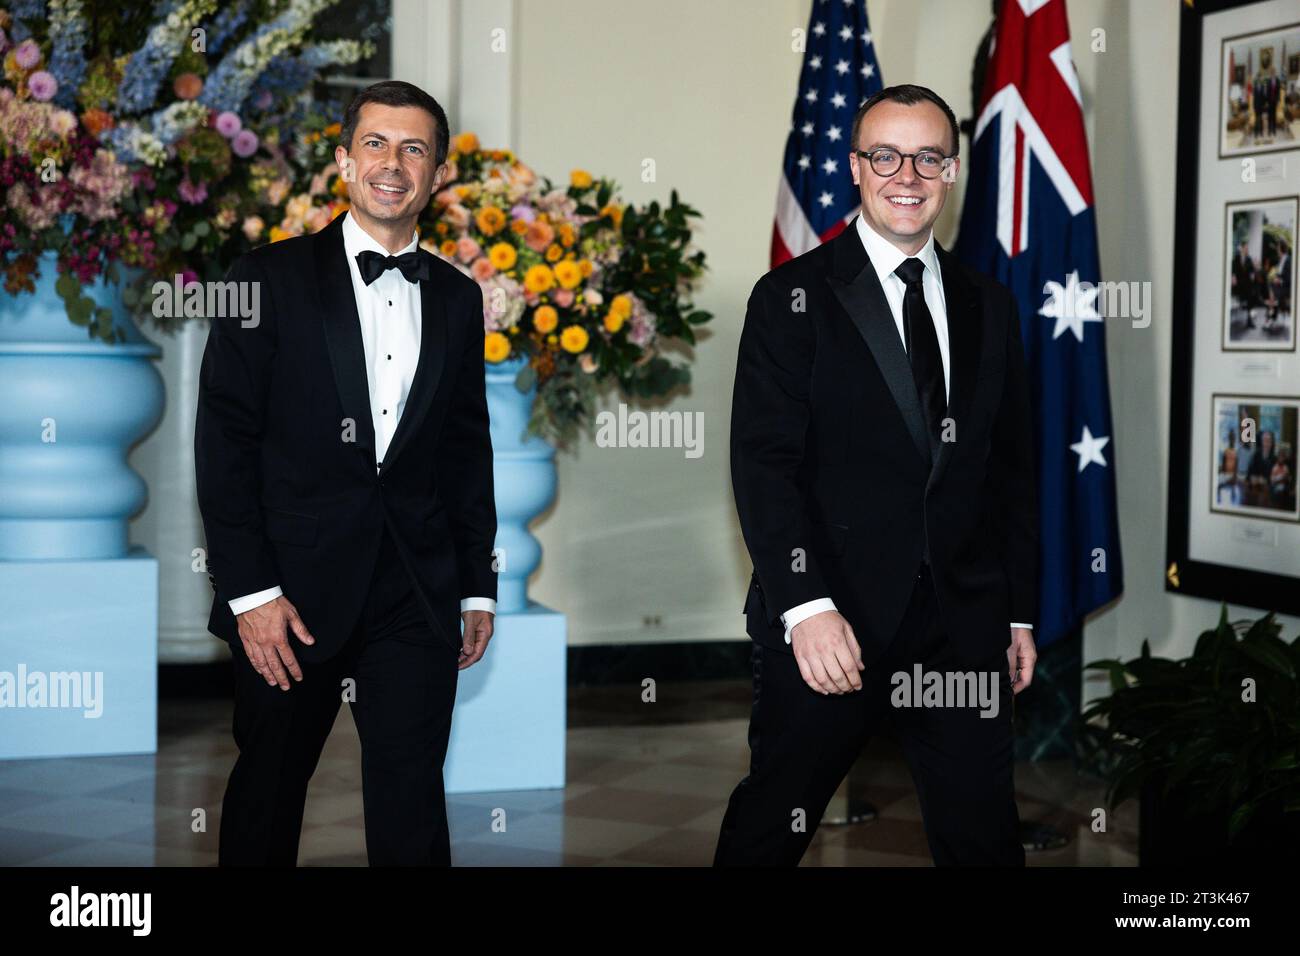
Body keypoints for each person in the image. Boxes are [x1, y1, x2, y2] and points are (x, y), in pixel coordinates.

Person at [715, 84, 1038, 866]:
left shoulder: (990, 303)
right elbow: (764, 468)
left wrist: (1017, 612)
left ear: (952, 170)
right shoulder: (790, 297)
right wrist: (806, 607)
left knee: (985, 837)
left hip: (961, 630)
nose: (908, 175)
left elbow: (1012, 471)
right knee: (773, 824)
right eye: (886, 156)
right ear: (856, 168)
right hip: (833, 626)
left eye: (928, 157)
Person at [194, 80, 498, 866]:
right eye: (375, 144)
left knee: (411, 804)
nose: (392, 164)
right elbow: (223, 445)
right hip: (289, 599)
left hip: (414, 594)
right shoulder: (261, 278)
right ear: (343, 160)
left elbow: (466, 451)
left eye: (414, 149)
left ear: (436, 176)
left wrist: (475, 586)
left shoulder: (462, 300)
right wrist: (251, 593)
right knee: (268, 792)